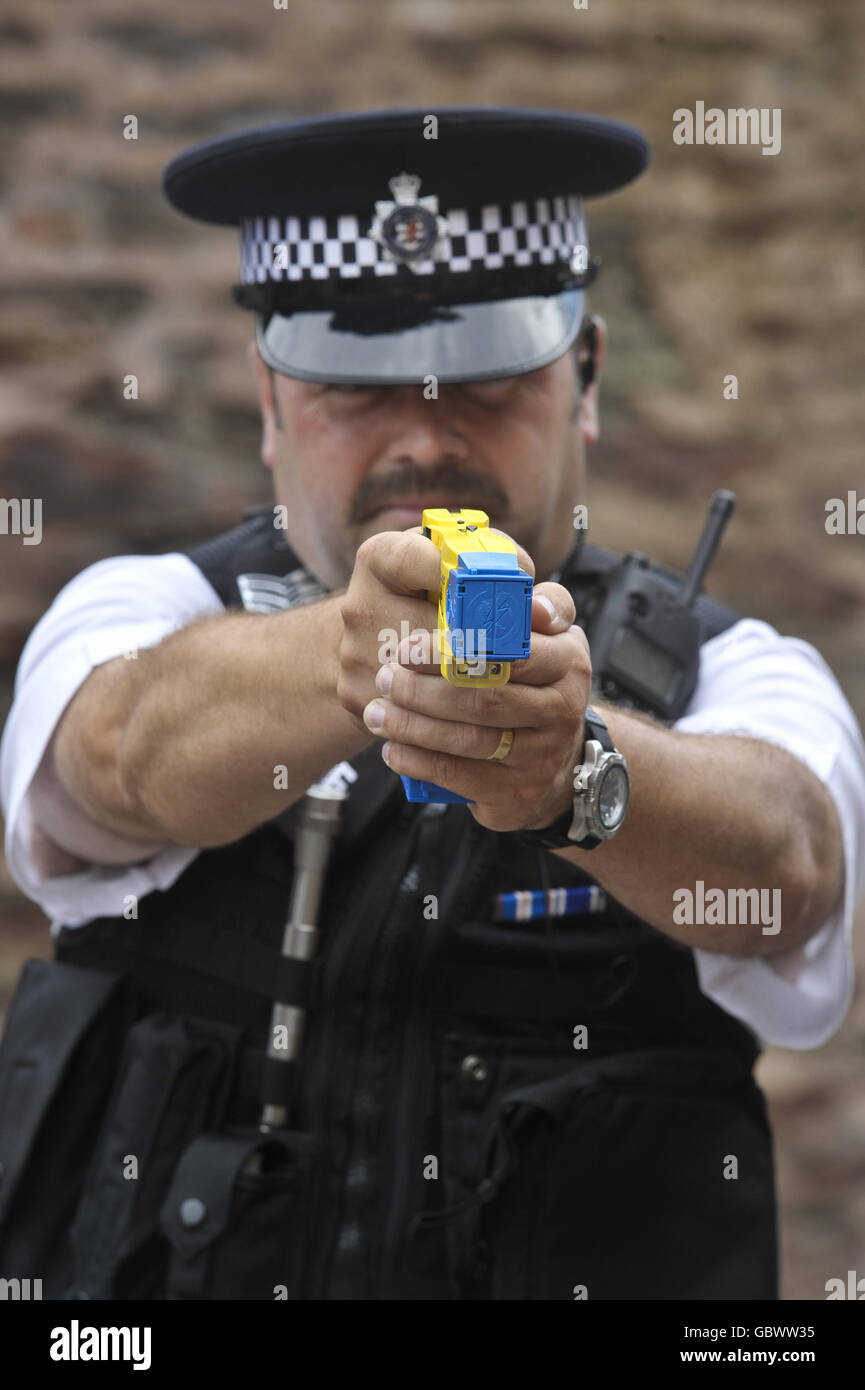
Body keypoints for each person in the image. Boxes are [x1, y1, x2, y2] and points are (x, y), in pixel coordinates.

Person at [1, 107, 863, 1302]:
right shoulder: (141, 606)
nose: (424, 439)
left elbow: (789, 862)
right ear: (269, 401)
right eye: (355, 387)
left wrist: (584, 776)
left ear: (586, 379)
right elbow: (112, 757)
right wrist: (341, 668)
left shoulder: (735, 667)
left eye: (488, 380)